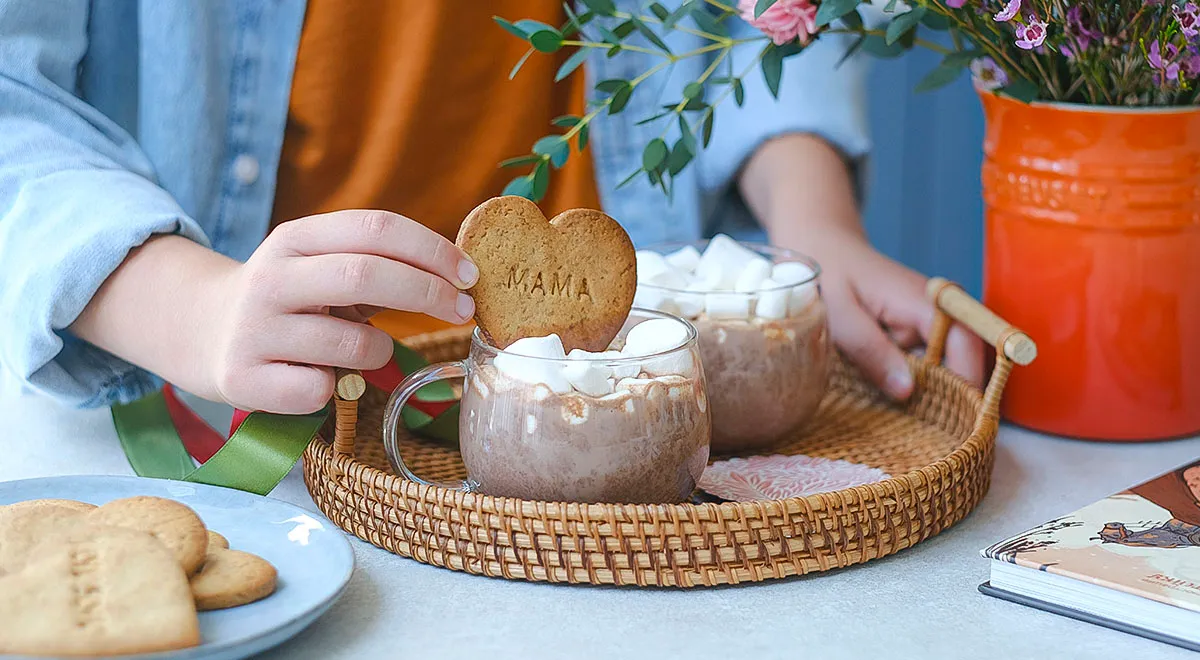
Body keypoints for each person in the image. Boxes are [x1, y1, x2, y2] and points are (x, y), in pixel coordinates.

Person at [0, 1, 981, 416]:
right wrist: (191, 308)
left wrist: (808, 218)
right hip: (223, 409)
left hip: (632, 379)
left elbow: (757, 18)